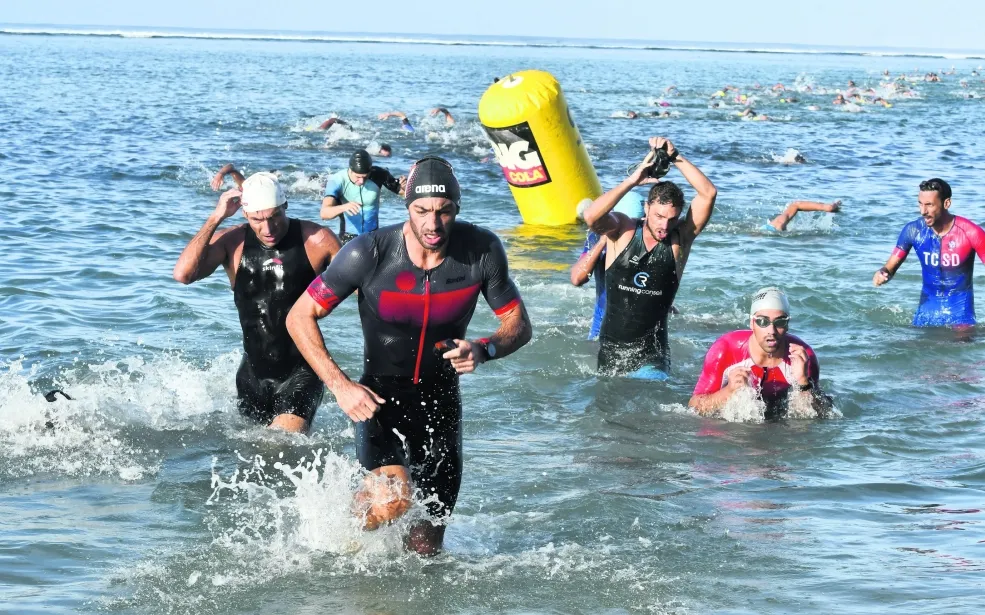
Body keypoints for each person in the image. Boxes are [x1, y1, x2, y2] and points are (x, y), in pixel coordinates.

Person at [287, 156, 533, 555]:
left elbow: (519, 325)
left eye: (443, 212)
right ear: (407, 207)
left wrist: (485, 348)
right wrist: (341, 387)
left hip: (441, 406)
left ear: (457, 208)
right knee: (393, 500)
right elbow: (300, 316)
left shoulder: (482, 251)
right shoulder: (368, 253)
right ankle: (331, 543)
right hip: (380, 401)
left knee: (425, 549)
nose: (432, 224)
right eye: (421, 211)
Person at [173, 172, 342, 433]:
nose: (268, 228)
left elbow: (361, 287)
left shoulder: (317, 239)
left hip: (302, 371)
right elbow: (183, 274)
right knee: (251, 458)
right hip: (251, 375)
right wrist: (216, 216)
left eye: (275, 216)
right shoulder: (233, 241)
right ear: (244, 214)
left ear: (285, 206)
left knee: (279, 446)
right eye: (257, 220)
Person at [583, 136, 717, 377]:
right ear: (646, 208)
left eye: (671, 219)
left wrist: (675, 157)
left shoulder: (679, 241)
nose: (665, 226)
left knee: (648, 409)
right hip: (610, 351)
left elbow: (708, 193)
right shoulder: (622, 231)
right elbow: (591, 217)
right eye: (658, 216)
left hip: (651, 355)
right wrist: (633, 180)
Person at [688, 287, 829, 420]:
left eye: (779, 322)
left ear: (787, 324)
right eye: (763, 321)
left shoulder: (803, 357)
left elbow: (822, 415)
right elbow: (694, 406)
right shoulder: (725, 350)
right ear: (751, 323)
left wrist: (803, 382)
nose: (771, 331)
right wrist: (728, 392)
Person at [873, 178, 985, 327]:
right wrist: (882, 274)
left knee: (960, 346)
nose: (923, 211)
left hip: (960, 316)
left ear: (946, 203)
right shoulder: (913, 230)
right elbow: (889, 268)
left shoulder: (971, 233)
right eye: (920, 203)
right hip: (927, 312)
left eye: (929, 205)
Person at [570, 192, 646, 341]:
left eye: (637, 225)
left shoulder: (648, 241)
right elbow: (577, 278)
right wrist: (604, 239)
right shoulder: (597, 238)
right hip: (602, 327)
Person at [320, 149, 406, 242]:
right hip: (348, 238)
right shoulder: (337, 180)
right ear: (350, 170)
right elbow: (324, 213)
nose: (361, 181)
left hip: (373, 236)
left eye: (365, 177)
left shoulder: (379, 174)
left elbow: (403, 193)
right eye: (358, 177)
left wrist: (405, 187)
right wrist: (344, 207)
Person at [764, 199, 841, 231]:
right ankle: (827, 207)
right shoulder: (778, 222)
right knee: (794, 205)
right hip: (772, 228)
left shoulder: (778, 225)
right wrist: (825, 207)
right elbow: (796, 205)